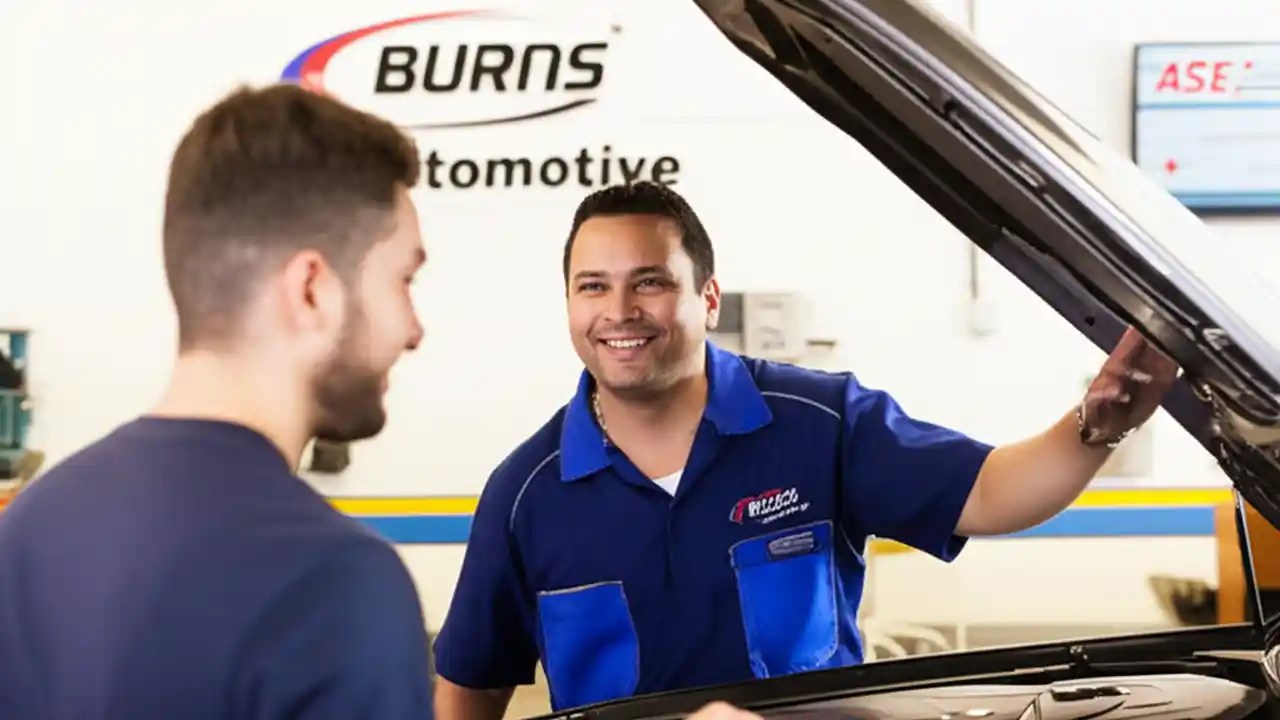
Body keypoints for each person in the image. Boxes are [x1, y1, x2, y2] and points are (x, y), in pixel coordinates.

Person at [432, 180, 1180, 717]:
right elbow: (469, 690)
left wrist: (1099, 422)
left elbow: (993, 492)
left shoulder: (817, 422)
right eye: (592, 286)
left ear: (708, 298)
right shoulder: (526, 494)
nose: (619, 311)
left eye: (650, 282)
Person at [0, 84, 433, 718]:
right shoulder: (337, 584)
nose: (414, 329)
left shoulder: (28, 532)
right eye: (404, 280)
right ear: (312, 290)